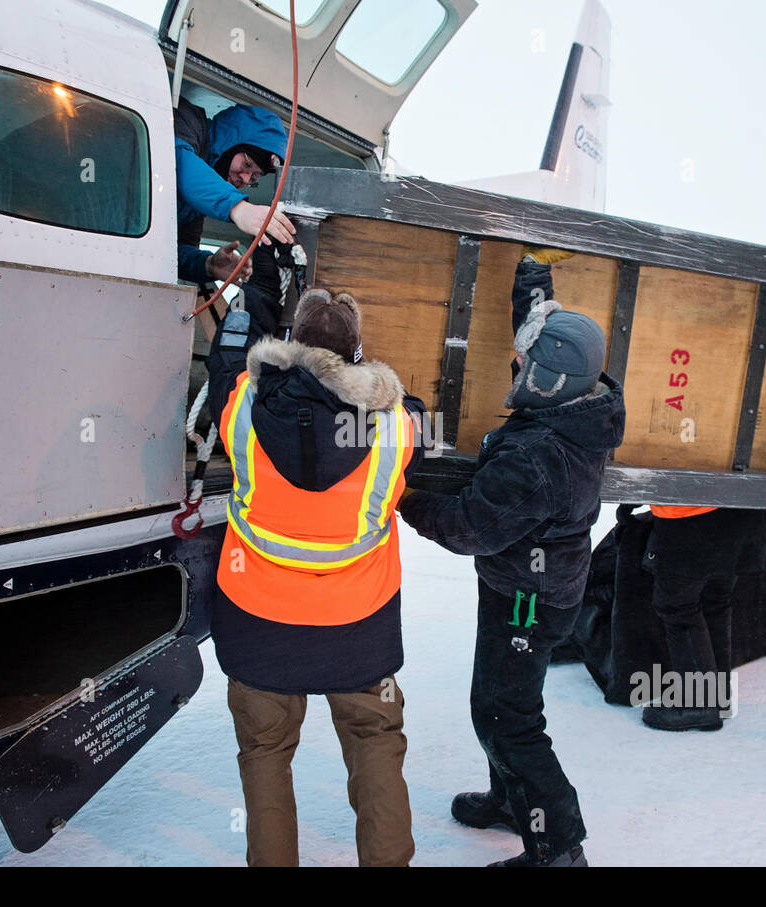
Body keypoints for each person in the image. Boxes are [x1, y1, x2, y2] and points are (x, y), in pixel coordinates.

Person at [397, 248, 625, 866]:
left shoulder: (538, 458)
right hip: (529, 584)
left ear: (547, 378)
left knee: (506, 713)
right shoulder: (581, 403)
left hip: (528, 596)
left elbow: (470, 528)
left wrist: (401, 496)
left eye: (525, 360)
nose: (516, 360)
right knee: (500, 700)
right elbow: (545, 337)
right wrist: (534, 278)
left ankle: (557, 846)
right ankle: (510, 800)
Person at [206, 285, 426, 866]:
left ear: (291, 346)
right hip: (359, 626)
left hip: (257, 624)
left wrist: (246, 314)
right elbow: (415, 418)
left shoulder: (245, 408)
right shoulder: (394, 430)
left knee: (265, 754)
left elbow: (232, 374)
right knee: (375, 744)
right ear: (357, 356)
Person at [638, 505, 766, 731]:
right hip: (745, 506)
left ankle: (699, 703)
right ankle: (718, 697)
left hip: (690, 513)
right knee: (714, 602)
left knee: (677, 605)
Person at [174, 101, 294, 286]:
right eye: (247, 165)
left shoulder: (197, 205)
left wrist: (208, 264)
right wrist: (238, 208)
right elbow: (177, 162)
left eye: (254, 177)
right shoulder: (186, 120)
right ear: (230, 143)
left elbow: (172, 253)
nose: (245, 179)